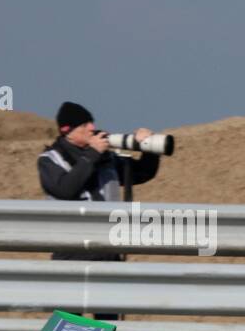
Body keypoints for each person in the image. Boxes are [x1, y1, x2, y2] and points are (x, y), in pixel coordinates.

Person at [39, 101, 164, 315]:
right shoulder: (50, 160)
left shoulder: (107, 158)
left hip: (107, 248)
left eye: (91, 122)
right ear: (66, 130)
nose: (91, 128)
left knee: (107, 321)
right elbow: (65, 190)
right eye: (84, 125)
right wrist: (92, 156)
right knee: (70, 321)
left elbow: (141, 173)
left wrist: (149, 149)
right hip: (71, 251)